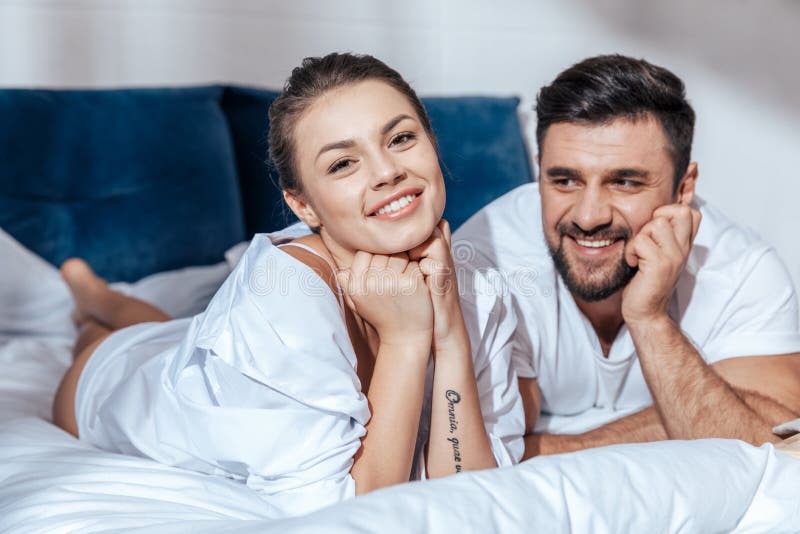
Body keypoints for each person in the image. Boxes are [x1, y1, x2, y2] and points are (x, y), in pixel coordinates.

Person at [51, 52, 524, 516]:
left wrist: (449, 330)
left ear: (432, 144)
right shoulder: (285, 302)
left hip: (204, 358)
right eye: (343, 164)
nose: (387, 172)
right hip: (108, 387)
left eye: (400, 138)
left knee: (175, 330)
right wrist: (406, 337)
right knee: (106, 341)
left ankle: (99, 297)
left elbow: (469, 492)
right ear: (304, 207)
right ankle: (92, 306)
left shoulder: (473, 280)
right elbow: (355, 515)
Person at [454, 54, 800, 458]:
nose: (588, 217)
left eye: (624, 182)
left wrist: (650, 319)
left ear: (684, 188)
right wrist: (690, 412)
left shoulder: (740, 268)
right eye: (564, 180)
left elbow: (779, 450)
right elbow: (485, 457)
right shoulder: (485, 265)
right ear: (539, 171)